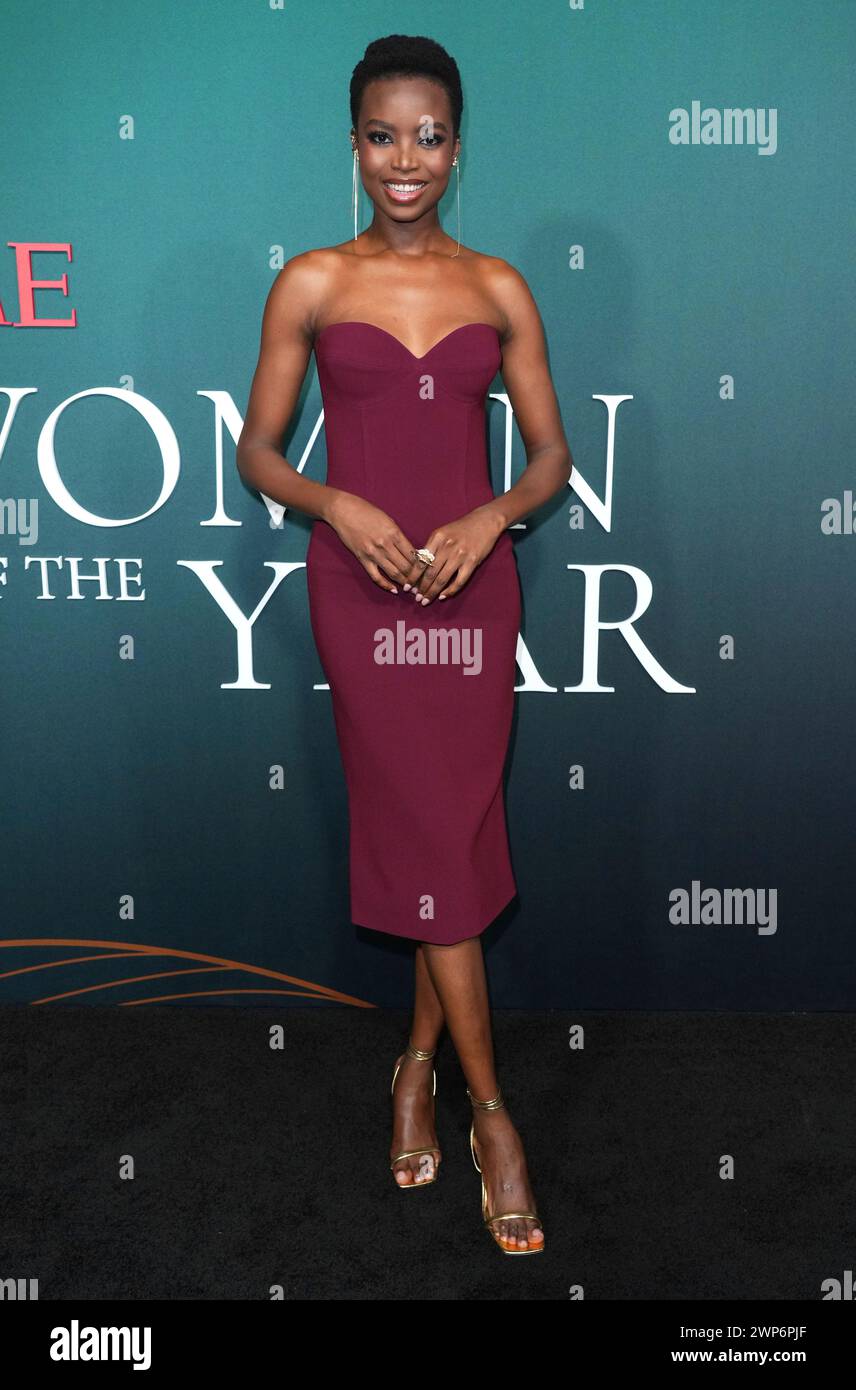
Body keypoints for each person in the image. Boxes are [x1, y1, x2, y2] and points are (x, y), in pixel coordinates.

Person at [237, 34, 572, 1256]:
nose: (405, 161)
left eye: (427, 136)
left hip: (472, 593)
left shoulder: (499, 287)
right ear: (353, 142)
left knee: (451, 840)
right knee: (434, 840)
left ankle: (416, 1070)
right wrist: (337, 501)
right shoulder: (312, 284)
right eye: (383, 135)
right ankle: (496, 1120)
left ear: (458, 144)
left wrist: (492, 513)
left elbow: (549, 457)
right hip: (364, 596)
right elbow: (260, 451)